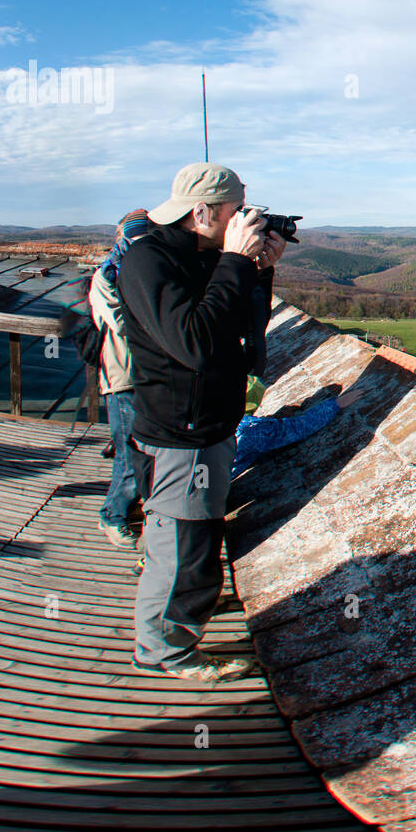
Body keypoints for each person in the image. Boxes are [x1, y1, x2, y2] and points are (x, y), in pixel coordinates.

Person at [118, 162, 285, 683]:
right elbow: (193, 342)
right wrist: (235, 260)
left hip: (208, 427)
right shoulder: (148, 263)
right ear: (204, 212)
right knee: (181, 548)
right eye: (238, 212)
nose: (245, 220)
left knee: (197, 537)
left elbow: (233, 328)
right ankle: (164, 651)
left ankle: (186, 612)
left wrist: (256, 270)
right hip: (178, 435)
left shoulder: (200, 255)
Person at [85, 209, 157, 549]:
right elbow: (124, 326)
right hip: (122, 376)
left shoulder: (133, 271)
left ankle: (129, 508)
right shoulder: (106, 278)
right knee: (129, 450)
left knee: (139, 448)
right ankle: (112, 516)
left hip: (141, 375)